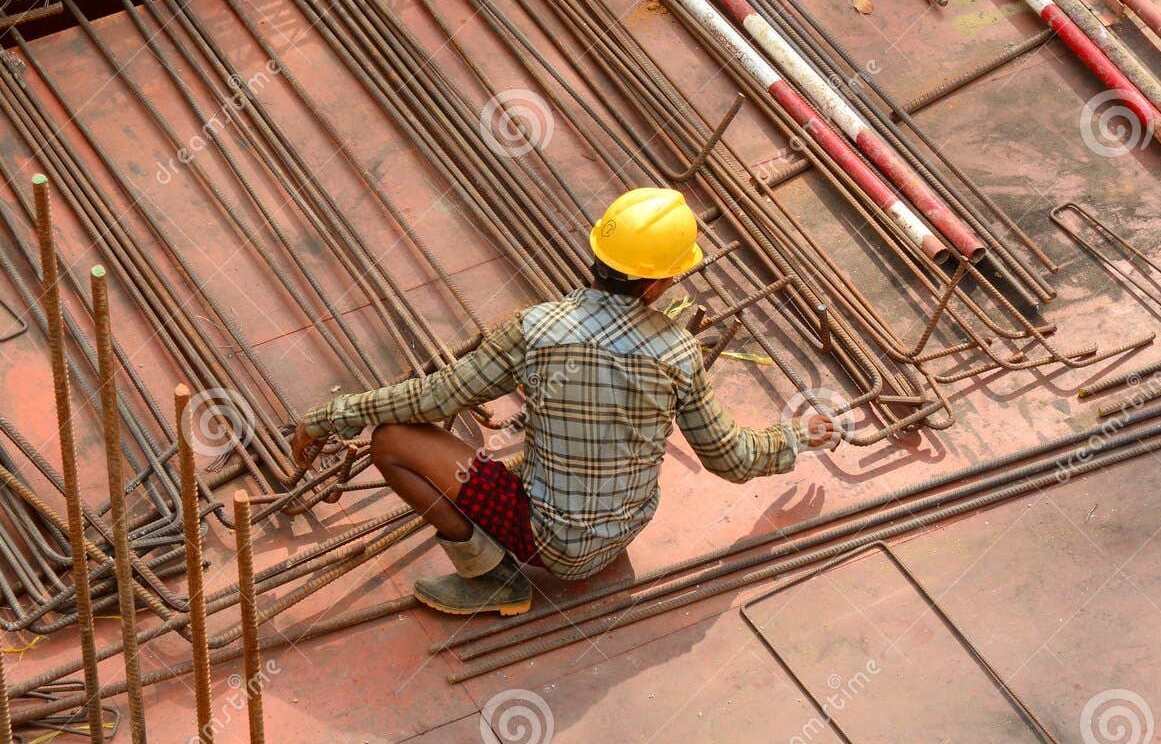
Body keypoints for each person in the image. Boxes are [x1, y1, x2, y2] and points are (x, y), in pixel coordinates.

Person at [290, 187, 840, 616]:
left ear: (598, 254)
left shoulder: (536, 328)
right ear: (656, 285)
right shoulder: (680, 352)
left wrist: (329, 417)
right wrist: (795, 436)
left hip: (544, 542)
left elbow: (433, 399)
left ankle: (491, 580)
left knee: (391, 441)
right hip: (622, 532)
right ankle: (528, 562)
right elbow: (731, 459)